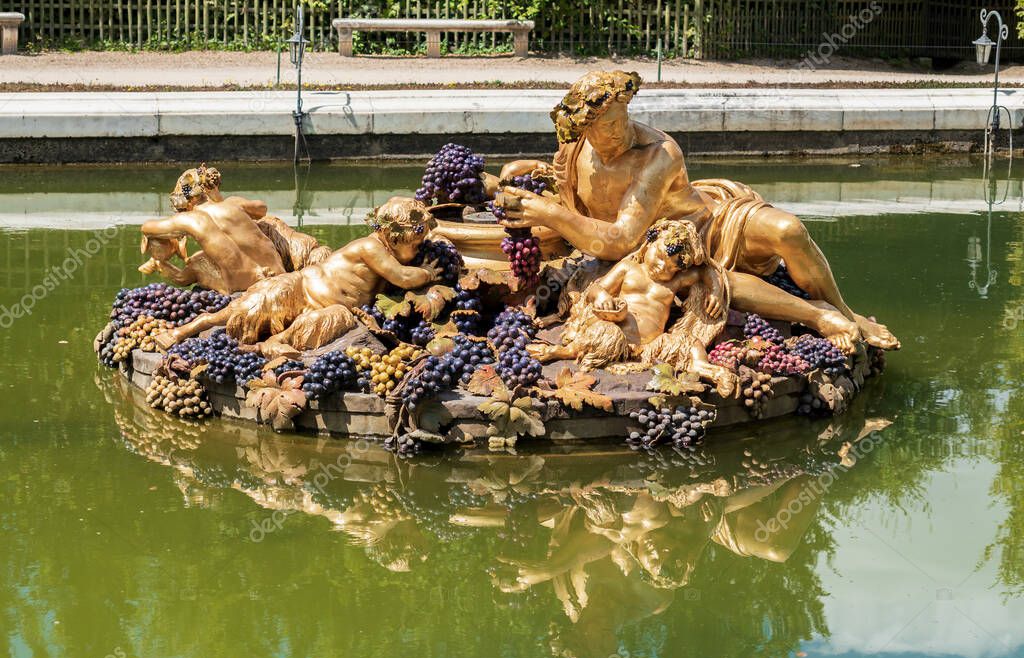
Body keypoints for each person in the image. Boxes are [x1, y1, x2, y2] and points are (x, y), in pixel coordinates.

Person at [499, 70, 898, 350]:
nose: (619, 132)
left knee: (789, 229)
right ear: (584, 129)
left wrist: (549, 214)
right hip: (660, 254)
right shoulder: (573, 150)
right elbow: (581, 209)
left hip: (709, 224)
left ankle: (847, 311)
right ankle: (817, 315)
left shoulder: (657, 153)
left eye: (623, 120)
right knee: (718, 284)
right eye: (606, 127)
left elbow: (620, 237)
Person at [531, 220, 862, 394]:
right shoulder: (628, 268)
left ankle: (708, 370)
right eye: (658, 255)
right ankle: (561, 352)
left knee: (689, 346)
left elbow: (707, 269)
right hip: (617, 327)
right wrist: (603, 299)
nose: (661, 266)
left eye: (670, 266)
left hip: (652, 345)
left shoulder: (673, 281)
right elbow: (600, 288)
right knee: (603, 336)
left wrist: (716, 289)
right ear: (648, 243)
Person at [153, 197, 443, 354]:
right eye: (416, 244)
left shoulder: (384, 249)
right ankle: (181, 332)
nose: (418, 249)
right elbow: (404, 277)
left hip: (329, 308)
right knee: (239, 309)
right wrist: (428, 273)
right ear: (395, 235)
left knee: (314, 327)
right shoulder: (371, 246)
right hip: (301, 286)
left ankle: (272, 345)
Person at [140, 163, 286, 294]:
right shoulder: (233, 203)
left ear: (184, 201)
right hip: (280, 275)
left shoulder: (190, 219)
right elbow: (262, 208)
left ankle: (159, 265)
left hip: (250, 287)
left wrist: (167, 241)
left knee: (197, 261)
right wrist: (218, 197)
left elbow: (146, 227)